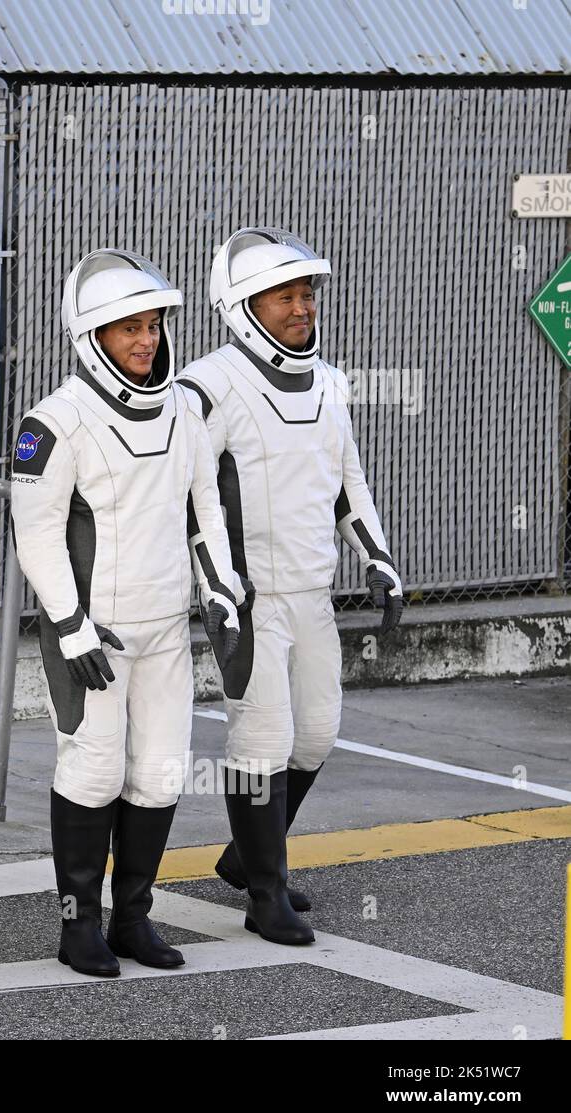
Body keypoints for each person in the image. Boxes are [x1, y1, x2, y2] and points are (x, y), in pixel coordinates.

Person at [11, 249, 244, 977]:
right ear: (90, 337)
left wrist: (224, 593)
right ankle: (78, 926)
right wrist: (72, 625)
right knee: (93, 770)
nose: (145, 340)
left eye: (152, 325)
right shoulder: (53, 421)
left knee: (161, 772)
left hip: (167, 626)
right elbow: (36, 532)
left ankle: (133, 918)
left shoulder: (181, 407)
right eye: (127, 329)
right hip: (93, 633)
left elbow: (203, 508)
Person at [177, 227, 403, 946]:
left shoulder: (331, 382)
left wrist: (379, 560)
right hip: (248, 598)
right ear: (243, 305)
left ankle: (246, 857)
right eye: (286, 296)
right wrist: (215, 586)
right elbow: (187, 492)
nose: (303, 307)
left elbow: (349, 483)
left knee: (317, 733)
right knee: (261, 739)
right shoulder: (207, 386)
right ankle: (265, 893)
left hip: (312, 593)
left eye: (307, 294)